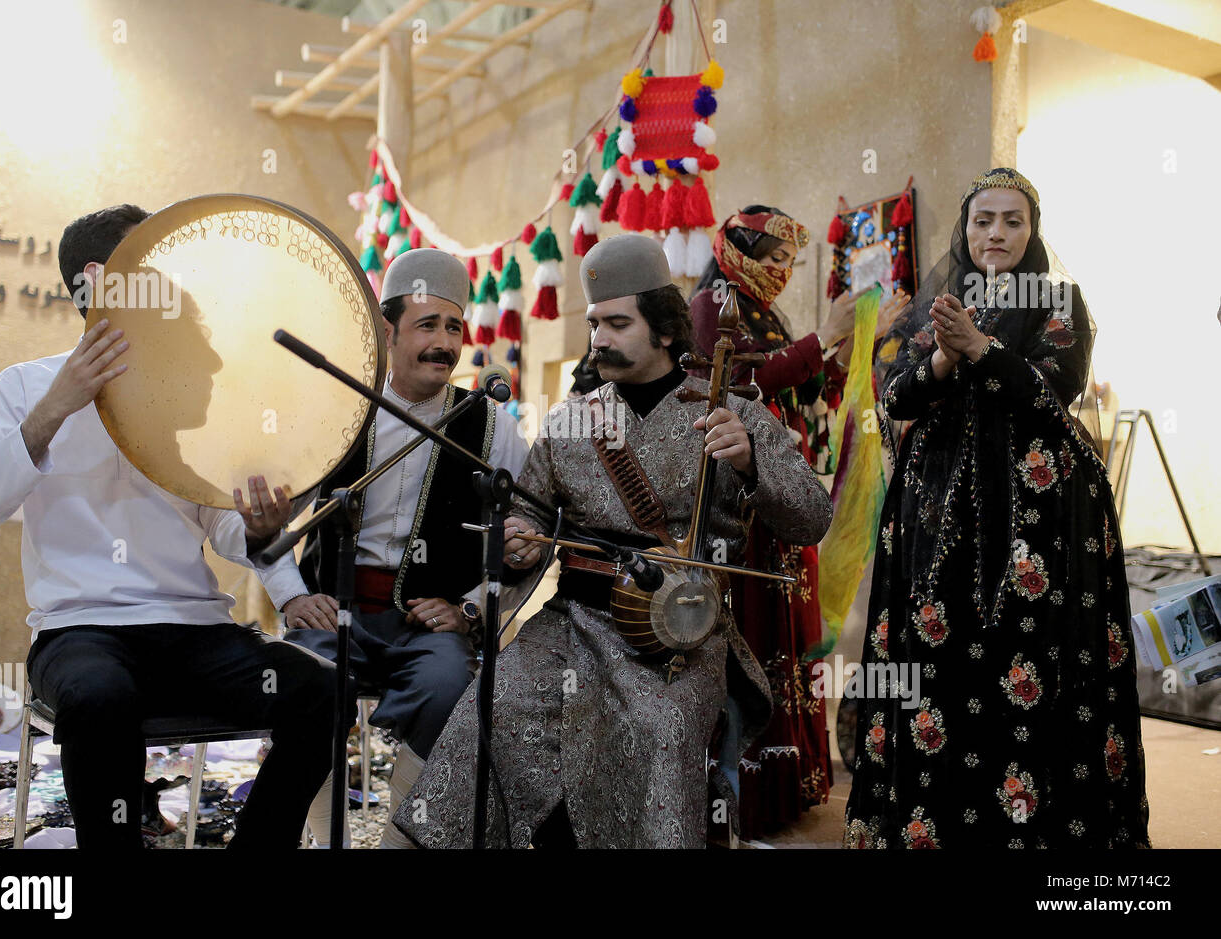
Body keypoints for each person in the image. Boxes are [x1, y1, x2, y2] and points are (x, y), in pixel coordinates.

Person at [388, 233, 834, 848]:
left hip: (675, 634)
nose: (598, 339)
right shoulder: (571, 419)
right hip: (569, 624)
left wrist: (756, 464)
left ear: (667, 330)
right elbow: (524, 520)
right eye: (595, 323)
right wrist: (520, 542)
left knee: (660, 733)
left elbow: (811, 519)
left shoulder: (733, 412)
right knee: (496, 709)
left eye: (617, 323)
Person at [0, 204, 337, 849]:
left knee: (320, 691)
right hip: (81, 632)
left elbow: (222, 524)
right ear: (100, 282)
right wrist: (54, 410)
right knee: (99, 698)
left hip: (196, 633)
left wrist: (264, 532)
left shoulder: (189, 389)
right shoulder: (21, 389)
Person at [844, 168, 1150, 848]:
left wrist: (980, 349)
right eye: (984, 219)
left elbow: (1055, 387)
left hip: (1038, 518)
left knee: (1027, 657)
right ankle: (937, 820)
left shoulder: (1060, 299)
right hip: (936, 520)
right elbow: (895, 396)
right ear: (966, 226)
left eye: (1013, 220)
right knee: (937, 663)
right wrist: (945, 361)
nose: (997, 233)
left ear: (1032, 230)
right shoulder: (936, 304)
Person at [287, 248, 528, 847]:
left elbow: (533, 531)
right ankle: (326, 841)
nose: (444, 344)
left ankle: (401, 843)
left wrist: (472, 608)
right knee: (302, 687)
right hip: (333, 615)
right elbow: (264, 524)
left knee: (450, 689)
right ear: (387, 331)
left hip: (429, 627)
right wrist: (290, 596)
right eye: (428, 326)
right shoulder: (338, 409)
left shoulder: (489, 421)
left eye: (453, 328)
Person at [688, 206, 909, 837]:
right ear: (739, 250)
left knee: (789, 641)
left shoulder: (766, 314)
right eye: (774, 259)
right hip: (742, 499)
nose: (781, 272)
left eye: (789, 263)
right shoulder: (711, 305)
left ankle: (788, 787)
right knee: (756, 638)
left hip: (783, 493)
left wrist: (843, 346)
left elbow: (802, 393)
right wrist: (818, 339)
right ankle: (743, 798)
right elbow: (731, 388)